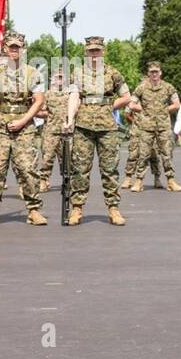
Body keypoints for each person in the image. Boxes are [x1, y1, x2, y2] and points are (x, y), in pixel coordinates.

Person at [0, 31, 47, 226]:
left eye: (18, 47)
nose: (14, 50)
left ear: (23, 49)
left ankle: (33, 210)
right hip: (1, 127)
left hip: (24, 127)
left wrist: (24, 120)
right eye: (11, 47)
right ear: (5, 49)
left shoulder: (32, 73)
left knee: (27, 169)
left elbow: (39, 101)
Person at [64, 36, 131, 226]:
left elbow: (126, 96)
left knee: (110, 169)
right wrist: (69, 119)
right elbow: (74, 97)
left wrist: (110, 107)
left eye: (97, 50)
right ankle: (77, 208)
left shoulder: (113, 73)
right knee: (80, 169)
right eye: (91, 50)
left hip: (107, 128)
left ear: (103, 51)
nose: (94, 54)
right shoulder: (77, 73)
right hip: (83, 127)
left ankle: (113, 208)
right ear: (86, 52)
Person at [128, 62, 181, 192]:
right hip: (146, 126)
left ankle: (171, 181)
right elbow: (131, 104)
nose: (154, 74)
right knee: (144, 154)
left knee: (167, 154)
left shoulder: (168, 87)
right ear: (148, 73)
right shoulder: (141, 88)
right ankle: (139, 182)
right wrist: (143, 109)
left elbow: (176, 104)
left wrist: (164, 110)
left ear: (160, 73)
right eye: (152, 71)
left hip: (163, 126)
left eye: (156, 71)